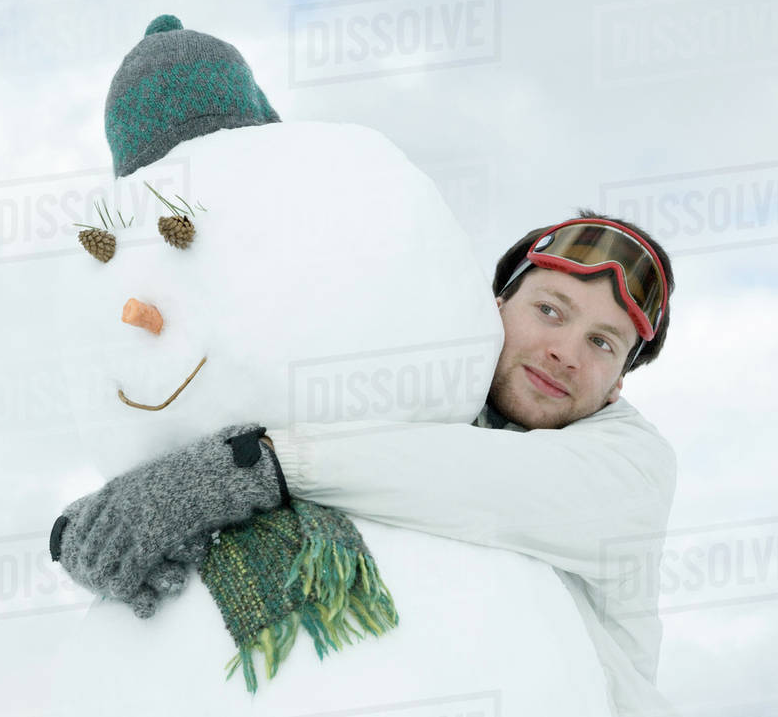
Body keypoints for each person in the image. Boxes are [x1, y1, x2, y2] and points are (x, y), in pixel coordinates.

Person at [53, 208, 678, 716]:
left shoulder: (633, 466)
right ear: (493, 306)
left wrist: (257, 466)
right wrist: (136, 506)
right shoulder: (425, 404)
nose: (566, 352)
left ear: (619, 384)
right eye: (550, 310)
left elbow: (482, 481)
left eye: (602, 343)